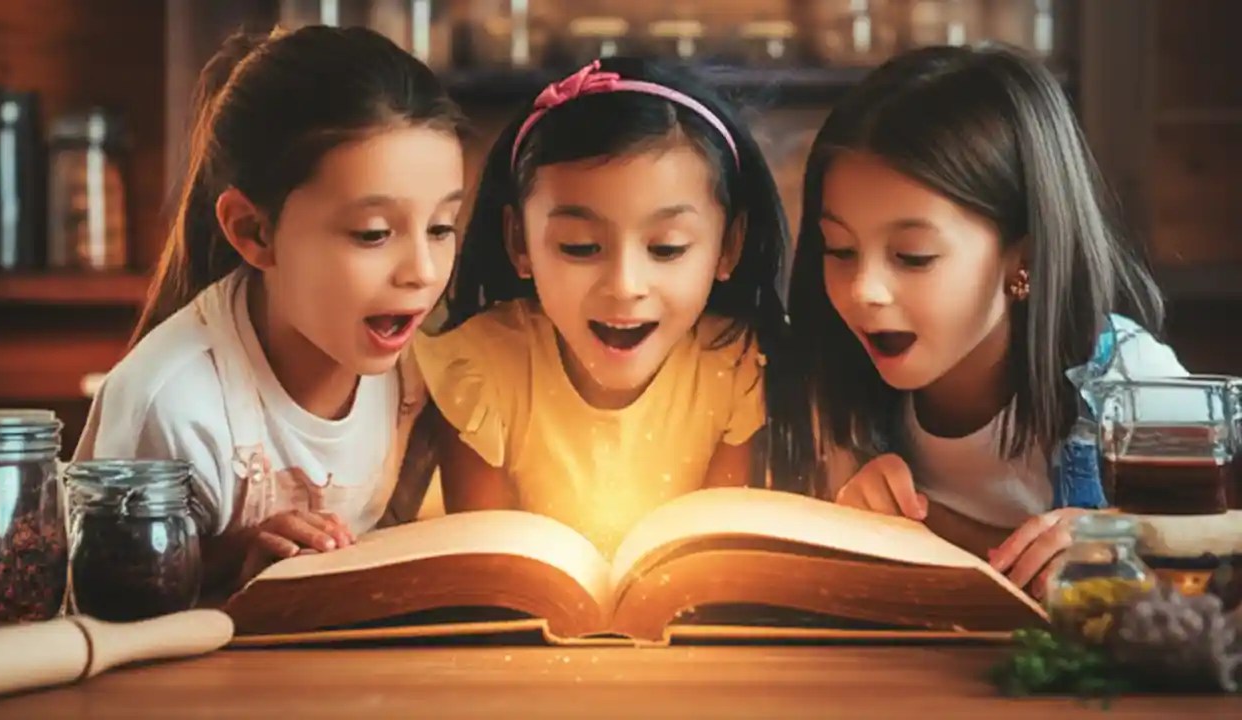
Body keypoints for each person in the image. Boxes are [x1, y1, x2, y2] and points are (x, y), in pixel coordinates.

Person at [785, 45, 1189, 596]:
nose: (864, 291)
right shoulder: (835, 389)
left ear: (1023, 258)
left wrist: (1138, 536)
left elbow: (1213, 536)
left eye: (913, 257)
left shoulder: (1132, 379)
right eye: (839, 250)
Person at [74, 26, 465, 589]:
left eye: (441, 227)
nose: (423, 272)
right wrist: (229, 559)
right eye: (373, 233)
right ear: (254, 231)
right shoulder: (173, 407)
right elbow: (107, 605)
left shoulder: (421, 372)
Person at [412, 58, 805, 556]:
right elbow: (495, 568)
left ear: (728, 246)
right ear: (519, 241)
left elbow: (711, 558)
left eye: (667, 248)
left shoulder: (737, 364)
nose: (624, 286)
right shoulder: (479, 368)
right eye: (579, 247)